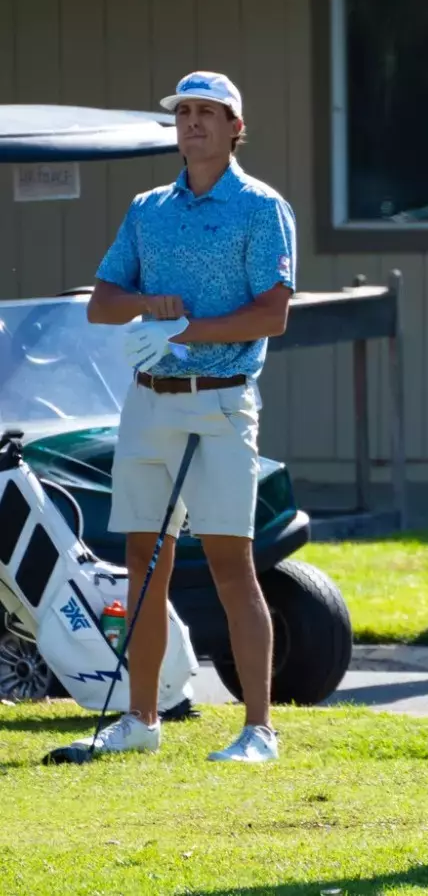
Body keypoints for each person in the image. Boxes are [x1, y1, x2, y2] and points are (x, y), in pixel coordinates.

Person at [83, 70, 297, 762]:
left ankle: (258, 729)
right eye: (185, 113)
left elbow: (274, 312)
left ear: (238, 127)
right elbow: (102, 301)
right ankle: (141, 720)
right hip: (148, 401)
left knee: (233, 563)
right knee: (143, 562)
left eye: (209, 112)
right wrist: (148, 309)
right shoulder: (149, 209)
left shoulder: (261, 208)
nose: (194, 123)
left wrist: (185, 331)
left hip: (223, 400)